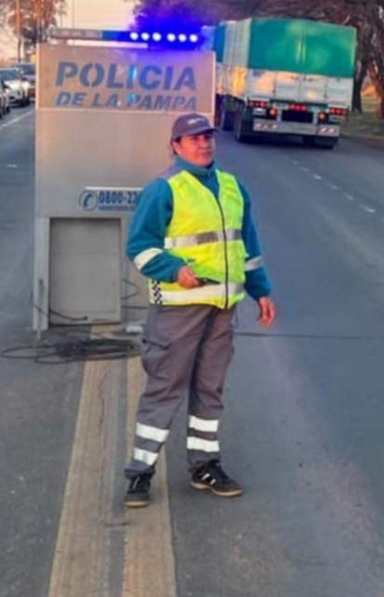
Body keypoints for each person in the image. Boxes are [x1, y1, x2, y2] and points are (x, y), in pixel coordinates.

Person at [123, 112, 277, 508]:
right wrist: (174, 269)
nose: (203, 143)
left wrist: (261, 291)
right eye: (193, 139)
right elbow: (139, 247)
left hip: (223, 309)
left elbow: (248, 246)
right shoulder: (164, 189)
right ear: (176, 146)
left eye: (207, 136)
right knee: (165, 388)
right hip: (179, 311)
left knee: (210, 390)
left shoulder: (232, 187)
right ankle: (140, 472)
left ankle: (204, 466)